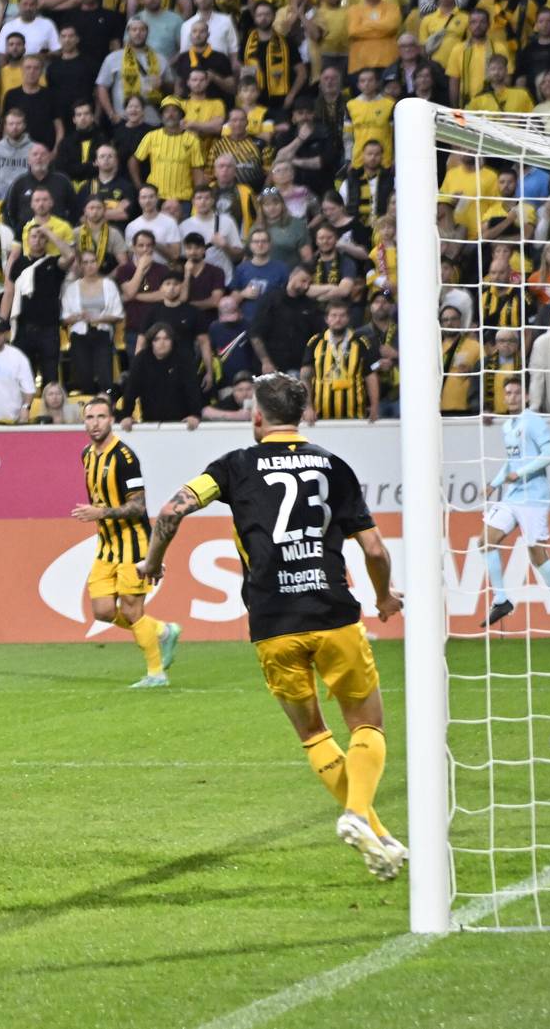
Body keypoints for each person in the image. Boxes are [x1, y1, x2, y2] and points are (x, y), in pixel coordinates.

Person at [139, 372, 406, 881]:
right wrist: (383, 597)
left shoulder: (234, 466)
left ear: (256, 417)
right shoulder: (334, 466)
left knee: (313, 735)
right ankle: (359, 816)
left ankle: (374, 828)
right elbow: (374, 548)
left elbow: (172, 511)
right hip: (333, 614)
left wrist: (152, 564)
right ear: (302, 414)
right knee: (367, 725)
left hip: (272, 622)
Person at [71, 396, 180, 688]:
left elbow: (139, 506)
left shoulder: (125, 458)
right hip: (107, 546)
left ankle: (156, 673)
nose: (94, 423)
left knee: (132, 610)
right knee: (102, 611)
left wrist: (100, 512)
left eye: (100, 417)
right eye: (89, 417)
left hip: (134, 545)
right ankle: (161, 630)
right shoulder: (87, 454)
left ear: (111, 419)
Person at [480, 377, 550, 636]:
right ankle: (501, 600)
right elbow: (510, 462)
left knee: (537, 555)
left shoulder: (533, 421)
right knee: (486, 540)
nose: (511, 397)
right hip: (512, 496)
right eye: (507, 392)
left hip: (534, 497)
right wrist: (494, 483)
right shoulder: (507, 426)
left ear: (524, 396)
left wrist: (520, 473)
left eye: (515, 393)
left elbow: (549, 455)